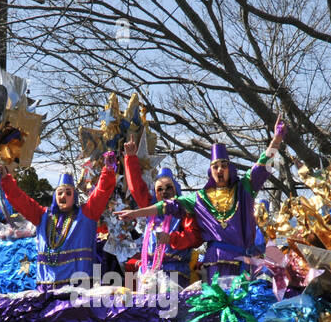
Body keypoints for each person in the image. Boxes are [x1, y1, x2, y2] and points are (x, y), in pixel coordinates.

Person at [116, 121, 286, 282]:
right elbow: (165, 205)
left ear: (230, 168)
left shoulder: (244, 188)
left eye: (224, 165)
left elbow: (261, 167)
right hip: (212, 260)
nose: (220, 170)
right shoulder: (200, 198)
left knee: (240, 304)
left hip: (237, 260)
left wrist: (276, 141)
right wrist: (135, 213)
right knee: (216, 307)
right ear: (210, 171)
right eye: (215, 166)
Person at [0, 153, 117, 291]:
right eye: (60, 192)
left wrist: (108, 170)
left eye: (68, 192)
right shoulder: (42, 216)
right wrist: (6, 179)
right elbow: (21, 201)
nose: (63, 196)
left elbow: (101, 193)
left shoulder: (86, 214)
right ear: (55, 196)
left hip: (78, 291)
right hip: (47, 289)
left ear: (75, 197)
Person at [122, 140, 203, 287]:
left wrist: (171, 239)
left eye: (168, 188)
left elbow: (193, 238)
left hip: (175, 271)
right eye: (160, 189)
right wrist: (131, 158)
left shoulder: (184, 211)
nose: (164, 191)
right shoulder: (151, 209)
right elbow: (137, 188)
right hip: (148, 272)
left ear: (175, 190)